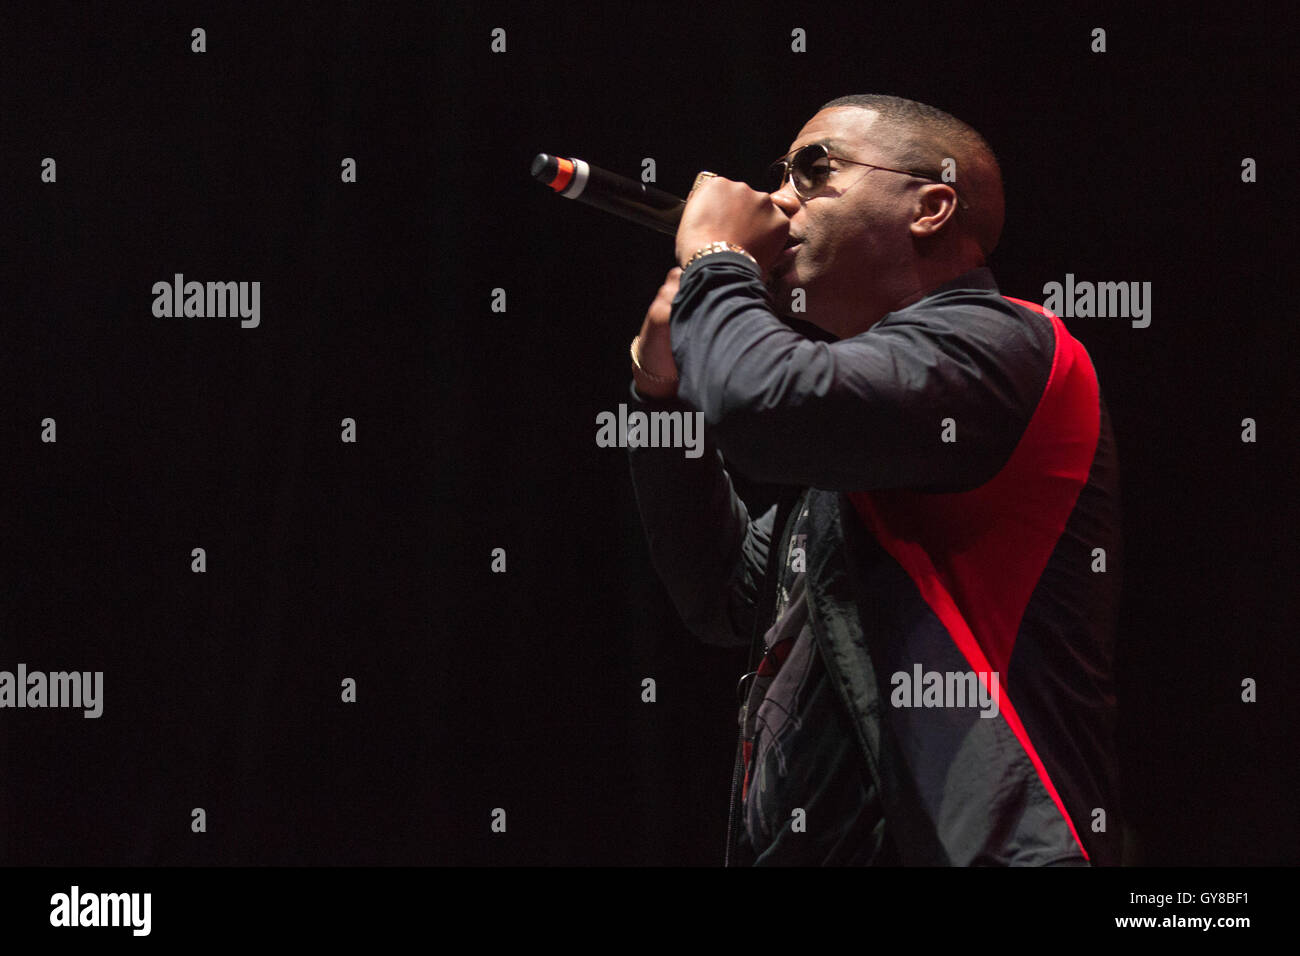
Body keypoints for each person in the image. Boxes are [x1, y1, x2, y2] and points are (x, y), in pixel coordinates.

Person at [624, 94, 1123, 866]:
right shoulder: (867, 426)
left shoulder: (1002, 344)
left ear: (930, 206)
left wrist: (717, 259)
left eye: (813, 168)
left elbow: (769, 405)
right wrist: (659, 397)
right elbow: (725, 593)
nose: (779, 198)